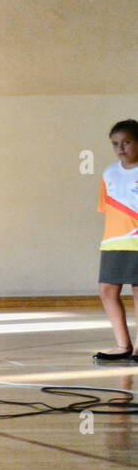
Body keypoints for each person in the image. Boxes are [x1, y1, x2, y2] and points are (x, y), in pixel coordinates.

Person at [94, 119, 138, 361]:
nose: (120, 148)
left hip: (137, 242)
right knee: (107, 291)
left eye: (127, 142)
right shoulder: (108, 173)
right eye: (115, 144)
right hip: (113, 242)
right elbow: (107, 209)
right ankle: (123, 345)